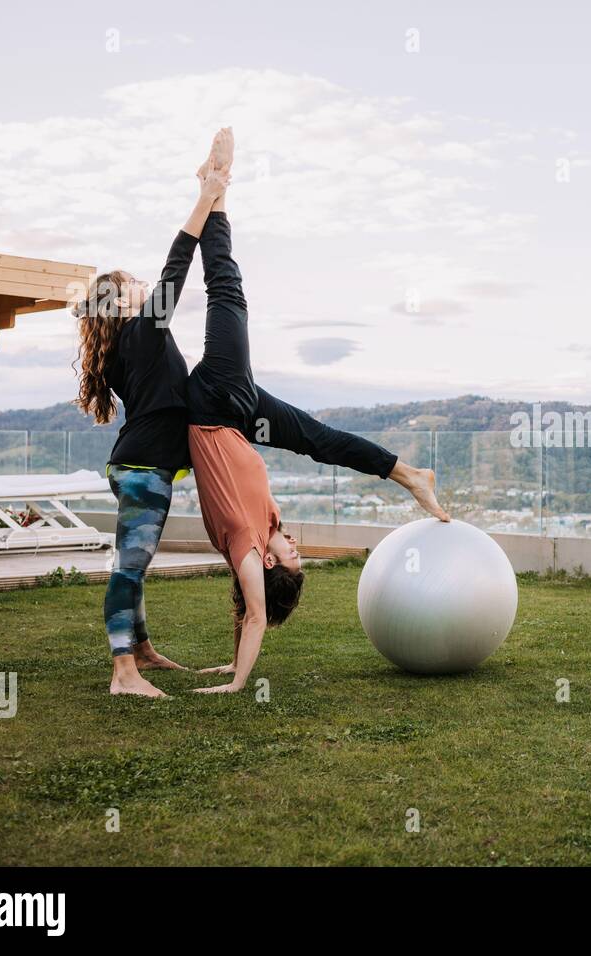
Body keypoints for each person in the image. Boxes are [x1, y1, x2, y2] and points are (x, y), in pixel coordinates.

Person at [73, 129, 446, 699]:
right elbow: (177, 269)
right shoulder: (140, 335)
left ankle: (407, 474)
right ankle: (123, 671)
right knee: (227, 295)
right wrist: (208, 194)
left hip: (205, 419)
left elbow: (168, 276)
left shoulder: (131, 342)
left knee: (311, 433)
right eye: (134, 286)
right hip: (177, 439)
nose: (146, 289)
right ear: (123, 304)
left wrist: (210, 193)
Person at [186, 130, 447, 694]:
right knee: (323, 440)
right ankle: (407, 474)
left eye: (293, 559)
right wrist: (234, 663)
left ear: (270, 566)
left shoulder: (247, 550)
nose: (297, 550)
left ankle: (215, 192)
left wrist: (237, 686)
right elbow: (246, 609)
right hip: (239, 412)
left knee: (226, 295)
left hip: (216, 404)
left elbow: (253, 613)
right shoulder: (267, 530)